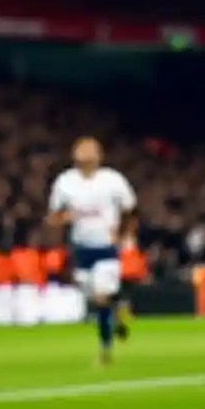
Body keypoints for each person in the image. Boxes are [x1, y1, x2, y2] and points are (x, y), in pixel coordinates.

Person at [46, 137, 138, 365]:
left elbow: (129, 208)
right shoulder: (65, 182)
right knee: (94, 297)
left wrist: (122, 232)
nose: (87, 156)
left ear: (99, 155)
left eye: (91, 152)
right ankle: (120, 308)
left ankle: (105, 351)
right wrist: (63, 218)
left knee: (101, 296)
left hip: (106, 247)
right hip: (81, 248)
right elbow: (53, 216)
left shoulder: (112, 180)